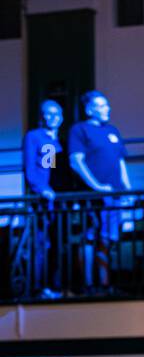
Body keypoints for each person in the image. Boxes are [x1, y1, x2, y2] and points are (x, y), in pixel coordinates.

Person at [67, 91, 133, 294]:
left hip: (115, 195)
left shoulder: (112, 131)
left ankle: (104, 283)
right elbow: (75, 161)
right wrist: (95, 186)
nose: (108, 109)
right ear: (89, 110)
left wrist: (128, 188)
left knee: (109, 238)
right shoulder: (79, 130)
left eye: (107, 105)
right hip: (93, 197)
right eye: (102, 105)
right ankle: (90, 284)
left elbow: (121, 161)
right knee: (93, 237)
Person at [22, 99, 64, 300]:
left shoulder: (57, 141)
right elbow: (31, 169)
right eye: (49, 113)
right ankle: (39, 286)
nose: (54, 117)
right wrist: (42, 189)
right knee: (41, 244)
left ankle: (55, 285)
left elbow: (52, 168)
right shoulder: (35, 137)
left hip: (57, 202)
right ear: (41, 116)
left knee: (57, 243)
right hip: (42, 201)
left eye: (57, 113)